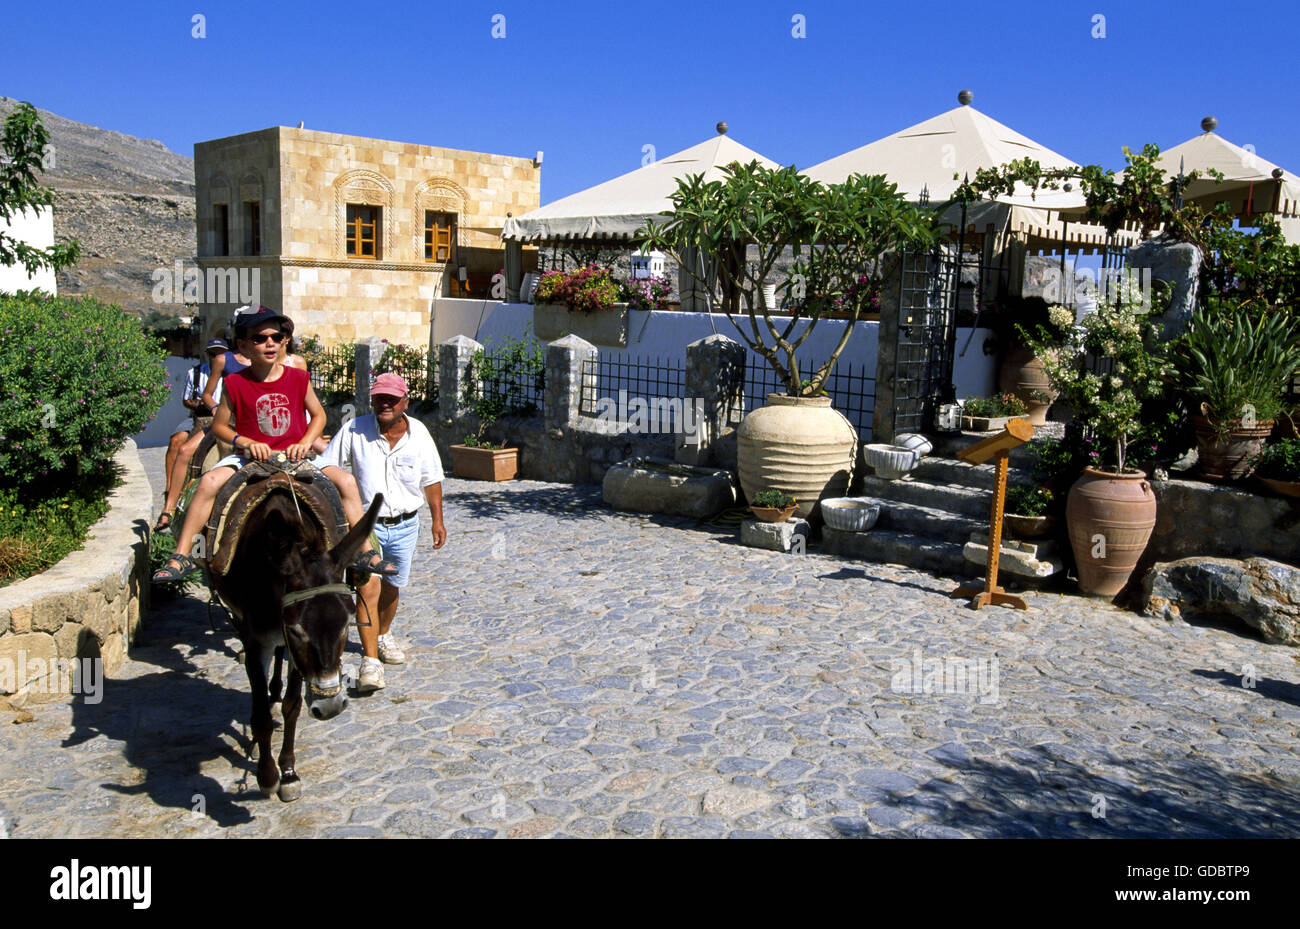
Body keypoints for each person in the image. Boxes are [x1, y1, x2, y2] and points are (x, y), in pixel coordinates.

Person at [152, 307, 397, 582]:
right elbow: (220, 425)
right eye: (259, 338)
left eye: (276, 337)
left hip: (296, 455)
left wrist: (304, 442)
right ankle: (183, 554)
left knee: (346, 482)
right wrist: (244, 441)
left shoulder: (298, 378)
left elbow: (319, 415)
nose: (269, 343)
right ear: (243, 345)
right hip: (250, 458)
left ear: (283, 341)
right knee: (208, 482)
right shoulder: (234, 383)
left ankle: (363, 550)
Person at [315, 373, 447, 692]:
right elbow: (325, 465)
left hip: (405, 524)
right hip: (366, 526)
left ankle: (383, 635)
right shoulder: (354, 429)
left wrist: (437, 520)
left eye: (391, 398)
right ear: (372, 400)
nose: (384, 404)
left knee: (392, 587)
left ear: (405, 402)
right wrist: (343, 488)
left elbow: (431, 479)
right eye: (379, 398)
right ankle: (370, 662)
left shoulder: (420, 435)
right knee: (367, 588)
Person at [157, 338, 227, 530]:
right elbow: (186, 400)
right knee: (177, 441)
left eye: (220, 352)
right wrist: (199, 404)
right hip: (200, 415)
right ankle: (170, 493)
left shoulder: (233, 373)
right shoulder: (195, 373)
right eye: (214, 353)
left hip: (224, 417)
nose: (217, 357)